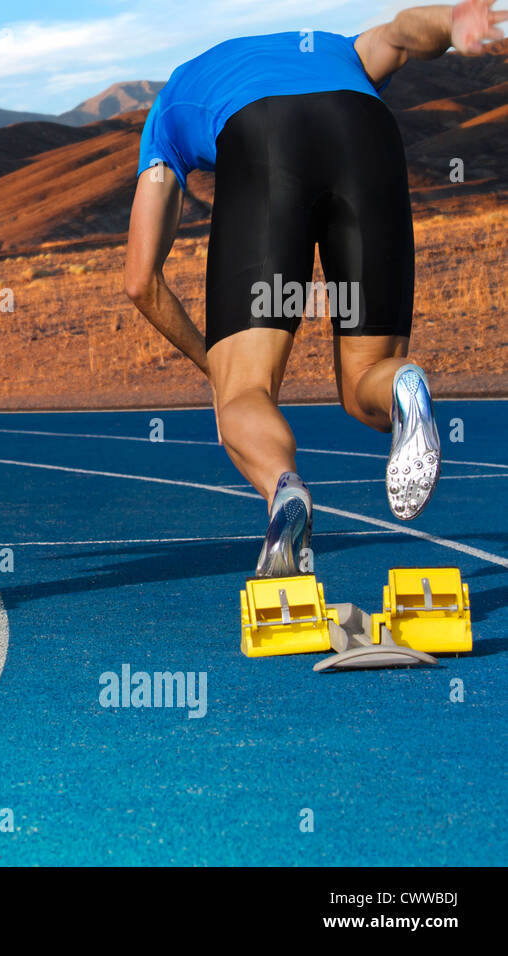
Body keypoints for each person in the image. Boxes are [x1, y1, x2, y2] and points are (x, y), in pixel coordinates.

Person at [124, 1, 505, 578]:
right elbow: (404, 35)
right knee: (364, 387)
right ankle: (404, 381)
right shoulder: (339, 50)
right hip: (365, 133)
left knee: (244, 394)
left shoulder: (175, 98)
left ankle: (285, 492)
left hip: (262, 138)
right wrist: (452, 26)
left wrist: (218, 370)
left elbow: (140, 281)